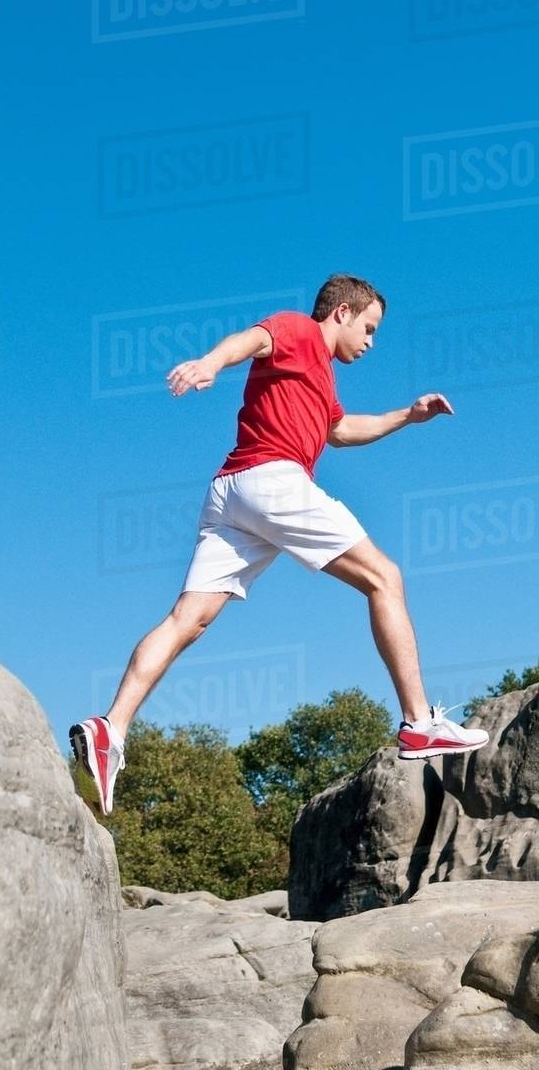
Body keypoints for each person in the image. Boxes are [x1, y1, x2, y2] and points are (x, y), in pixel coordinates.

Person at [71, 274, 489, 814]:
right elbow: (251, 340)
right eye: (369, 327)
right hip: (271, 480)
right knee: (384, 578)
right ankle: (418, 723)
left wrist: (408, 416)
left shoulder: (322, 382)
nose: (371, 341)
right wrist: (209, 364)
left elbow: (341, 430)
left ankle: (111, 729)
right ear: (341, 312)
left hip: (232, 494)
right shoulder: (298, 331)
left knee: (187, 620)